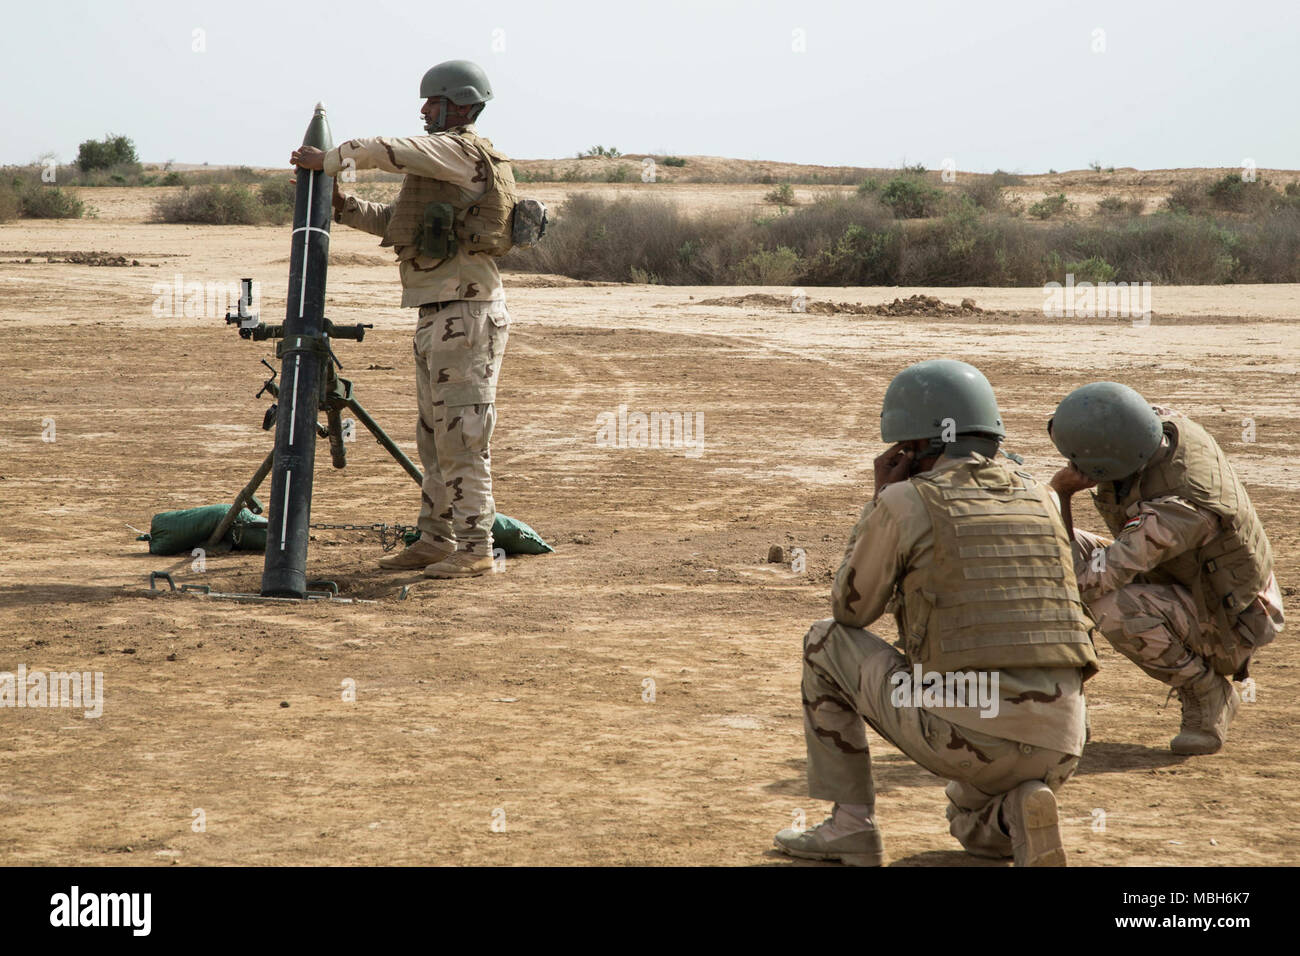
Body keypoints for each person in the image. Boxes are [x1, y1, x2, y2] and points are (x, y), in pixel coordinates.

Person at [773, 360, 1099, 867]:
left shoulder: (907, 500)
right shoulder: (1042, 497)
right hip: (1061, 742)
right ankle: (1016, 813)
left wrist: (879, 500)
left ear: (915, 447)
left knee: (824, 642)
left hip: (968, 733)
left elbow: (850, 610)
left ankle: (850, 827)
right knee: (967, 822)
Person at [291, 59, 516, 578]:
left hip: (466, 312)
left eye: (433, 102)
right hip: (438, 312)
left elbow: (384, 150)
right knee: (434, 437)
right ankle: (436, 539)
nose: (424, 110)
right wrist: (342, 204)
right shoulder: (442, 166)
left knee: (462, 438)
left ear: (459, 105)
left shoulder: (460, 152)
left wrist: (329, 160)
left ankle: (476, 548)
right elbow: (396, 223)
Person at [1048, 382, 1283, 754]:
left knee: (1110, 607)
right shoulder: (1157, 429)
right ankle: (1065, 704)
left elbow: (1080, 585)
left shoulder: (1178, 512)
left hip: (1231, 623)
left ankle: (1207, 692)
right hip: (1183, 577)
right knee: (1045, 549)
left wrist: (1060, 493)